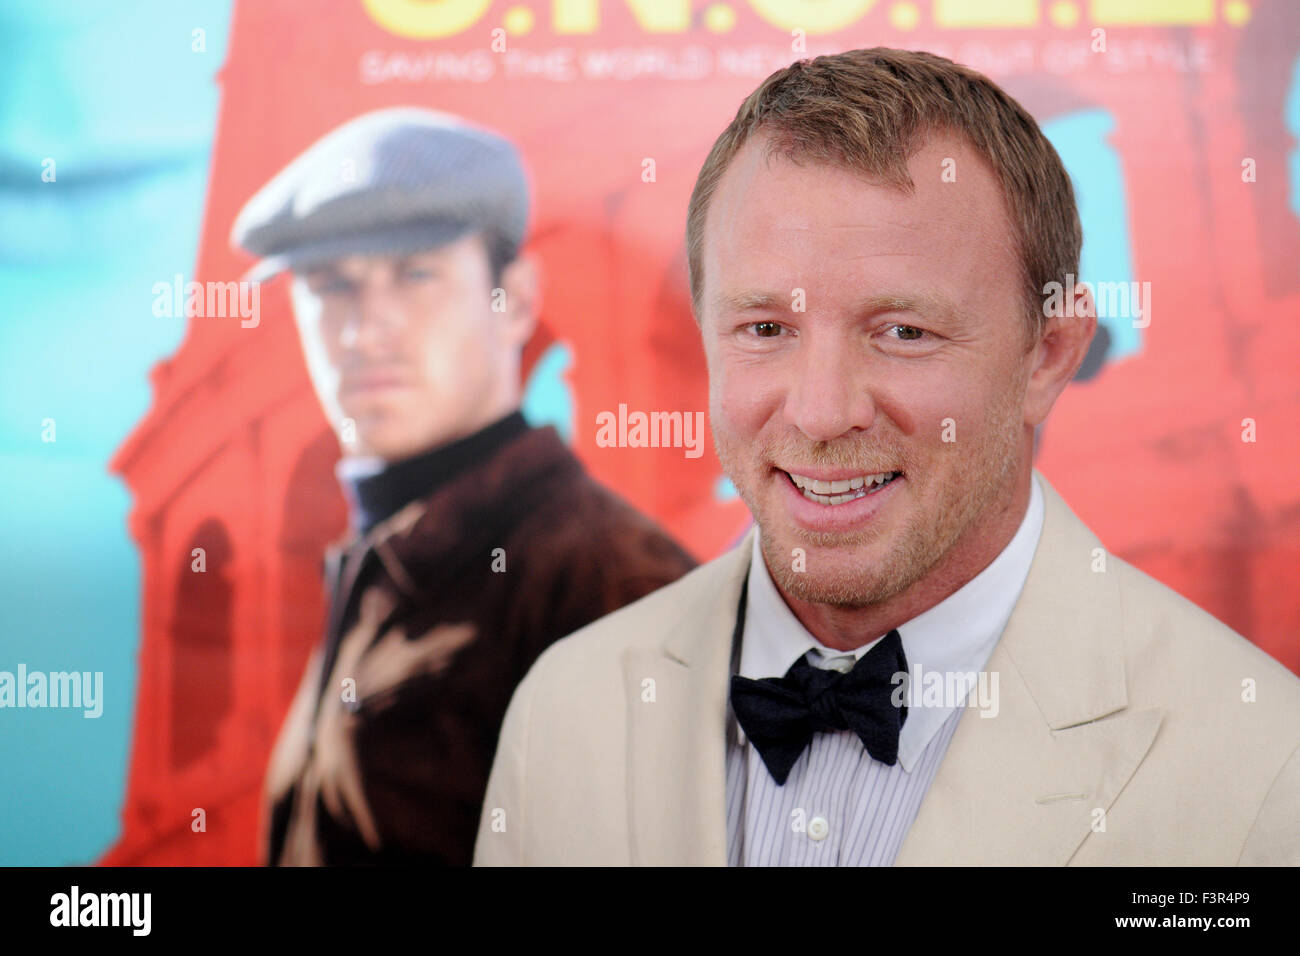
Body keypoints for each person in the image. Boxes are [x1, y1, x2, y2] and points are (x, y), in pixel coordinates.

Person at [473, 50, 1300, 866]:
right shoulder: (563, 713)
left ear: (1048, 355)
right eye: (765, 329)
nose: (823, 412)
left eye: (904, 332)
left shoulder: (1262, 767)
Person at [230, 107, 695, 865]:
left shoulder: (608, 580)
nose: (366, 329)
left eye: (416, 273)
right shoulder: (378, 564)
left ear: (517, 299)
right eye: (330, 284)